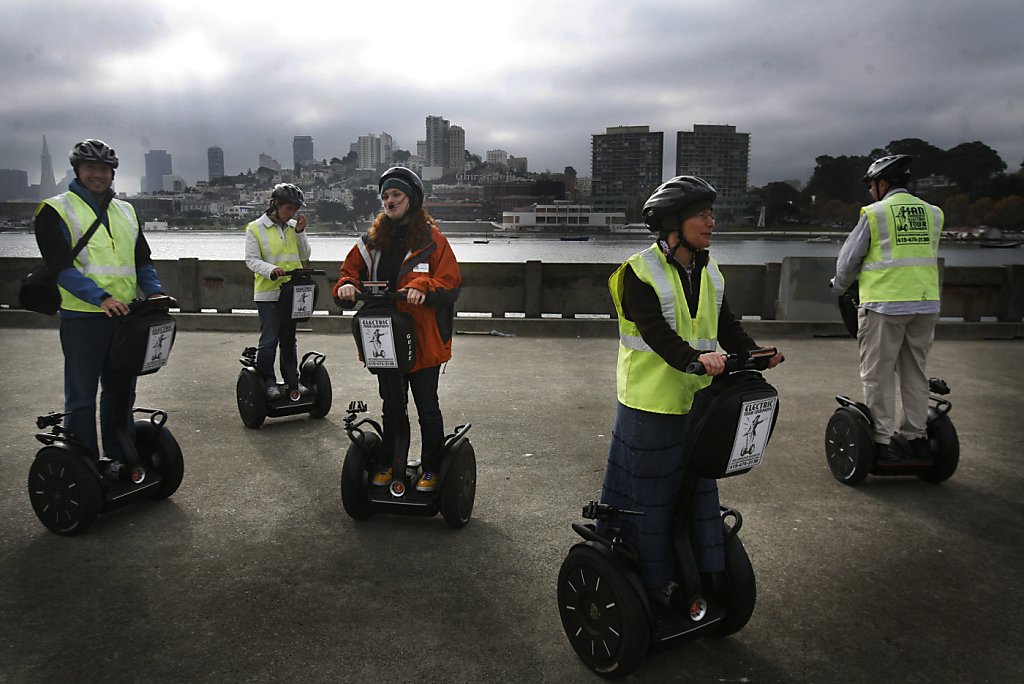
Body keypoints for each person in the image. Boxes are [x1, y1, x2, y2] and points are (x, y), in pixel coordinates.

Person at [598, 175, 783, 601]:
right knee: (650, 496)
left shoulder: (709, 270)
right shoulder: (637, 273)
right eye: (702, 215)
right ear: (673, 224)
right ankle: (653, 581)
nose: (711, 222)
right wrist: (694, 360)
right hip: (650, 405)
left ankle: (704, 570)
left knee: (695, 490)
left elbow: (726, 326)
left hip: (697, 404)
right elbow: (657, 333)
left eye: (711, 214)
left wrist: (756, 353)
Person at [33, 138, 165, 466]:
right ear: (77, 170)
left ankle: (120, 458)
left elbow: (142, 260)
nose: (98, 174)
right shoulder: (55, 209)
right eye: (91, 167)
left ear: (112, 173)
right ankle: (86, 463)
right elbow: (61, 266)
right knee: (81, 396)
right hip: (83, 319)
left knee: (121, 392)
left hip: (126, 318)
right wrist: (100, 298)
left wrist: (154, 292)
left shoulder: (126, 210)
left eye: (104, 169)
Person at [333, 167, 461, 493]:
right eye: (386, 196)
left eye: (396, 195)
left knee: (426, 406)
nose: (390, 201)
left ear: (412, 199)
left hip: (423, 339)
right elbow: (349, 273)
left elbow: (449, 283)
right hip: (386, 338)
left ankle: (432, 466)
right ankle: (391, 463)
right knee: (392, 405)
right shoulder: (371, 241)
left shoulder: (433, 242)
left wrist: (423, 286)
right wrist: (347, 286)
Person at [831, 154, 943, 460]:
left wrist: (839, 286)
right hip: (925, 303)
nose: (870, 191)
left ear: (882, 183)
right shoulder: (933, 213)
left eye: (871, 185)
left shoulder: (876, 214)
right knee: (915, 372)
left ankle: (881, 441)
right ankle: (917, 436)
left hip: (885, 305)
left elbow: (849, 260)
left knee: (877, 373)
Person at [244, 183, 311, 402]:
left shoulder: (293, 227)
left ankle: (293, 380)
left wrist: (300, 232)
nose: (292, 214)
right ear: (275, 204)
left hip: (292, 293)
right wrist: (271, 270)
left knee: (289, 340)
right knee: (269, 340)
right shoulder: (255, 228)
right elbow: (251, 260)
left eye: (295, 209)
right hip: (268, 293)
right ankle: (268, 382)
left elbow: (305, 254)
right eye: (289, 209)